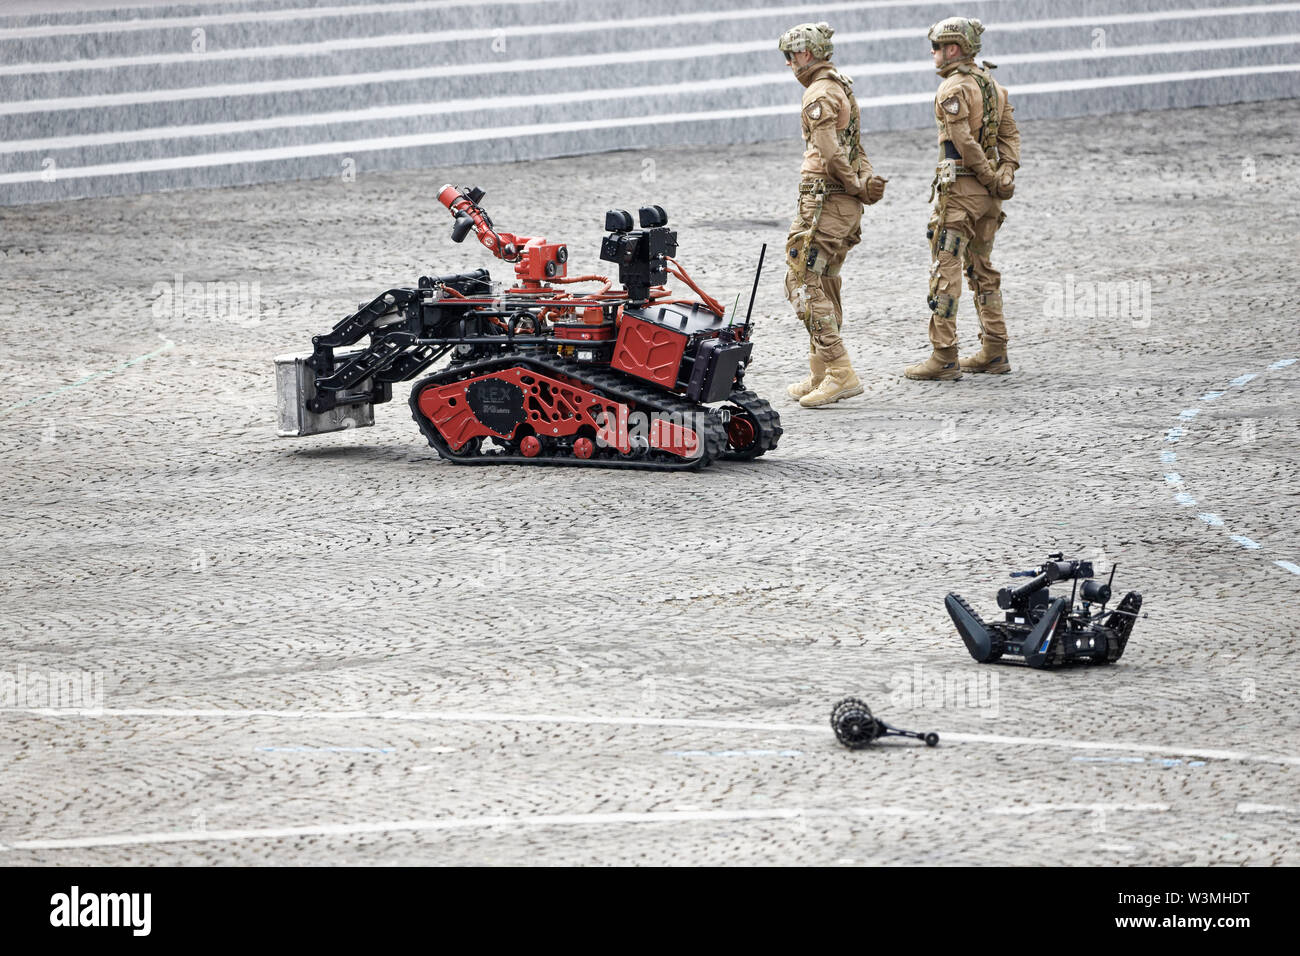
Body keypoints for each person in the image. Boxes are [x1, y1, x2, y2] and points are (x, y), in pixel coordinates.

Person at [905, 16, 1020, 381]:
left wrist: (989, 175)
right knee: (982, 268)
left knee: (946, 270)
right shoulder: (992, 84)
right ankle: (995, 349)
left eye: (938, 47)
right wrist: (1005, 174)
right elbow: (1010, 135)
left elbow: (963, 143)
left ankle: (944, 355)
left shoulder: (954, 89)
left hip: (962, 193)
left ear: (953, 48)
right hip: (989, 198)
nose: (934, 53)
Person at [779, 22, 887, 408]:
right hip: (839, 201)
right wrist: (864, 181)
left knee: (801, 280)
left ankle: (841, 372)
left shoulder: (819, 92)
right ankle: (822, 370)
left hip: (824, 199)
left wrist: (857, 184)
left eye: (792, 56)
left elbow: (830, 150)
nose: (790, 63)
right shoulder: (839, 86)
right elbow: (854, 146)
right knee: (823, 280)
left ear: (806, 54)